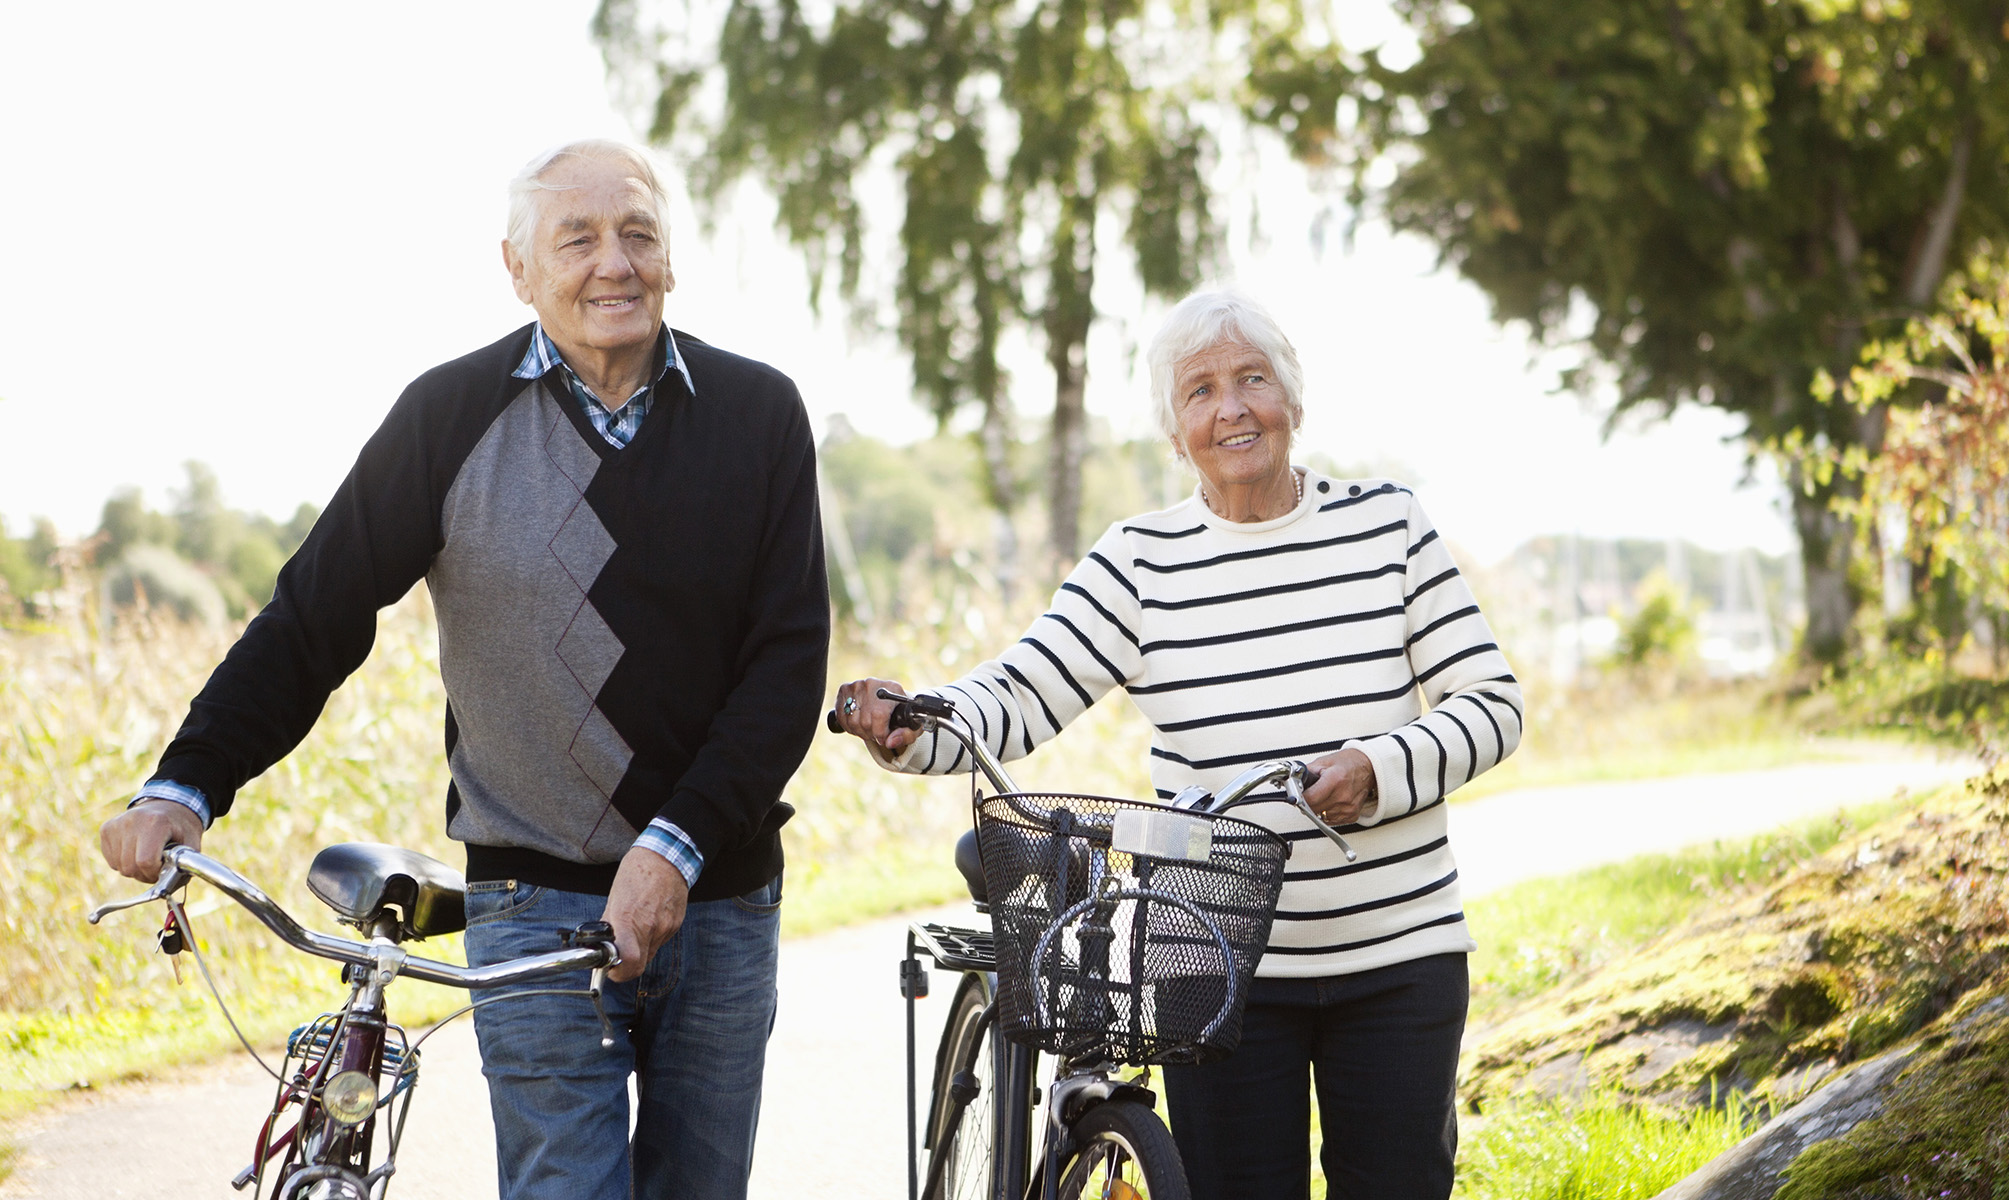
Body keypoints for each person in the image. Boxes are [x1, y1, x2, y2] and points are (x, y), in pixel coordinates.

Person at [96, 139, 830, 1200]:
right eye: (576, 239)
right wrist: (186, 783)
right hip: (531, 903)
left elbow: (786, 666)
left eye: (638, 234)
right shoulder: (446, 418)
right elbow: (316, 617)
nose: (613, 264)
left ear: (672, 258)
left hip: (719, 898)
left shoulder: (761, 414)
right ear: (518, 270)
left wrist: (674, 850)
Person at [832, 289, 1522, 1200]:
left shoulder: (1388, 526)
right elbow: (1024, 686)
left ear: (1294, 403)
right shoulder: (1141, 561)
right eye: (1199, 392)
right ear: (1174, 432)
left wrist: (1379, 769)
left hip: (1396, 958)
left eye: (1253, 381)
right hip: (1217, 963)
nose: (1231, 408)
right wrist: (919, 725)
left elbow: (1493, 703)